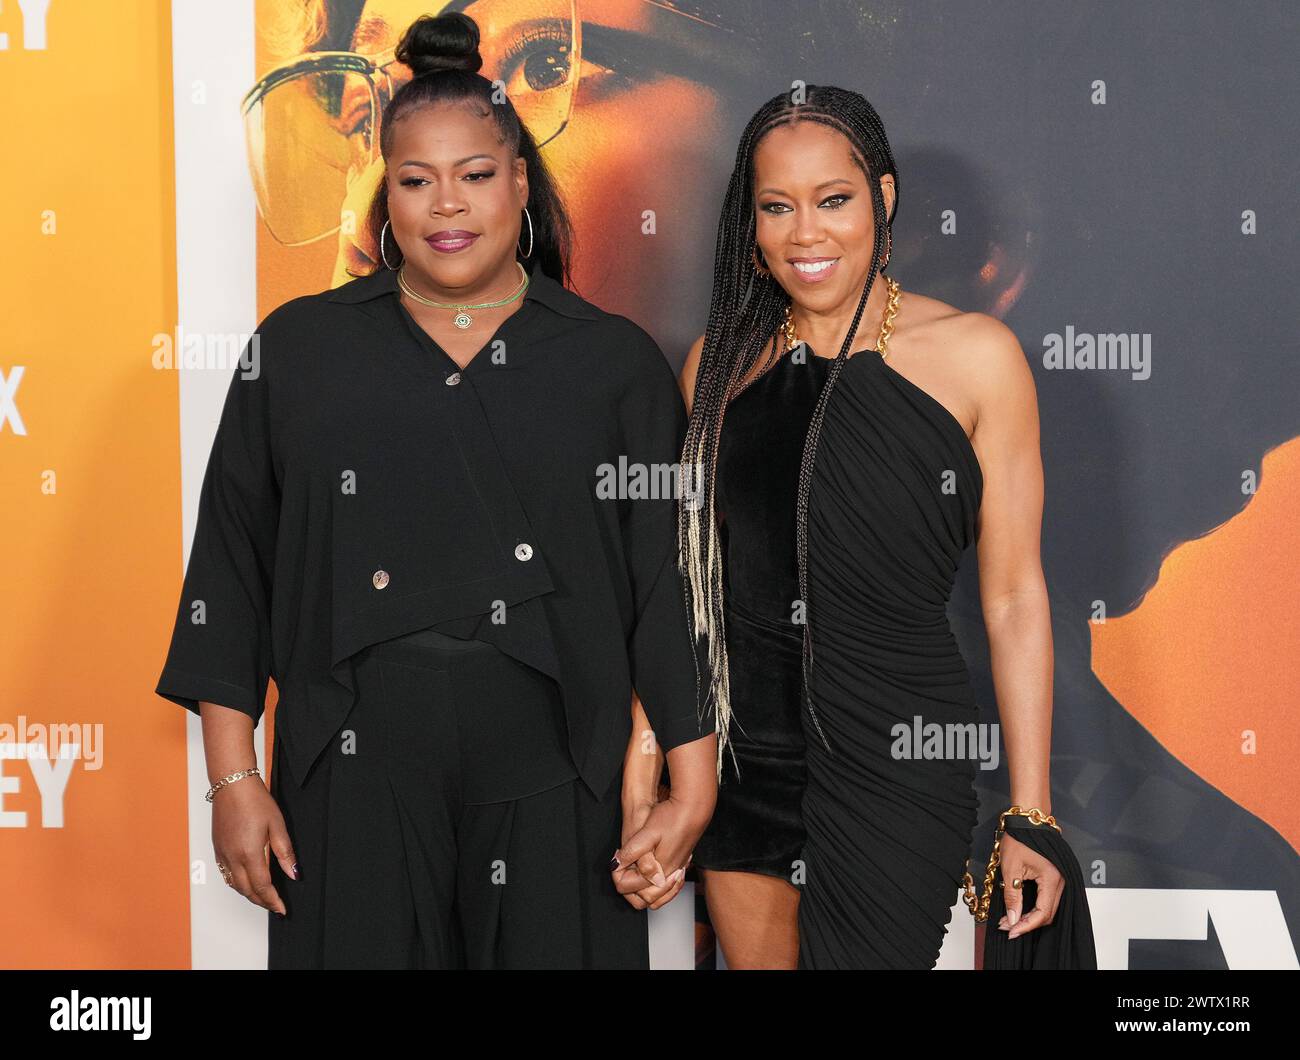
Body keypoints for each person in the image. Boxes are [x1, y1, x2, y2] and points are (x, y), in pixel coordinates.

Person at [155, 11, 716, 969]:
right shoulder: (300, 350)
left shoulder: (613, 365)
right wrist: (234, 779)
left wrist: (691, 787)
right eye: (415, 181)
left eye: (475, 176)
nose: (445, 206)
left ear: (522, 184)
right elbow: (231, 567)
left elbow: (666, 589)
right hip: (353, 764)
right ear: (386, 194)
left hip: (558, 768)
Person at [646, 84, 1062, 968]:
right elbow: (689, 596)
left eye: (832, 200)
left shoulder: (976, 358)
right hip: (747, 765)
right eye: (777, 207)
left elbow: (1016, 596)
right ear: (748, 223)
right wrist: (658, 766)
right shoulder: (715, 369)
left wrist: (1031, 810)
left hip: (898, 764)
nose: (806, 234)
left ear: (883, 198)